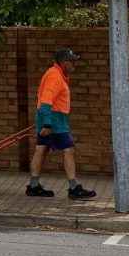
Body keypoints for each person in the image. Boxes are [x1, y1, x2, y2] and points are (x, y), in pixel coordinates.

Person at [25, 48, 96, 199]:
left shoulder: (56, 74)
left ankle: (33, 186)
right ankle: (73, 188)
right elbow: (46, 101)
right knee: (68, 150)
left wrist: (44, 122)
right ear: (64, 62)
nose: (73, 64)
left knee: (41, 149)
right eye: (71, 61)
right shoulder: (55, 76)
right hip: (54, 120)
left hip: (51, 118)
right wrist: (48, 124)